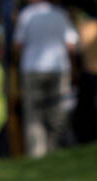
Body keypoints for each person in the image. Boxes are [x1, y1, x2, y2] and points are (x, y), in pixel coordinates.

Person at [13, 0, 78, 157]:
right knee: (58, 113)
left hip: (32, 68)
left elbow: (17, 44)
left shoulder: (27, 15)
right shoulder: (60, 15)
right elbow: (71, 44)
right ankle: (56, 152)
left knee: (33, 115)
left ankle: (37, 154)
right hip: (58, 69)